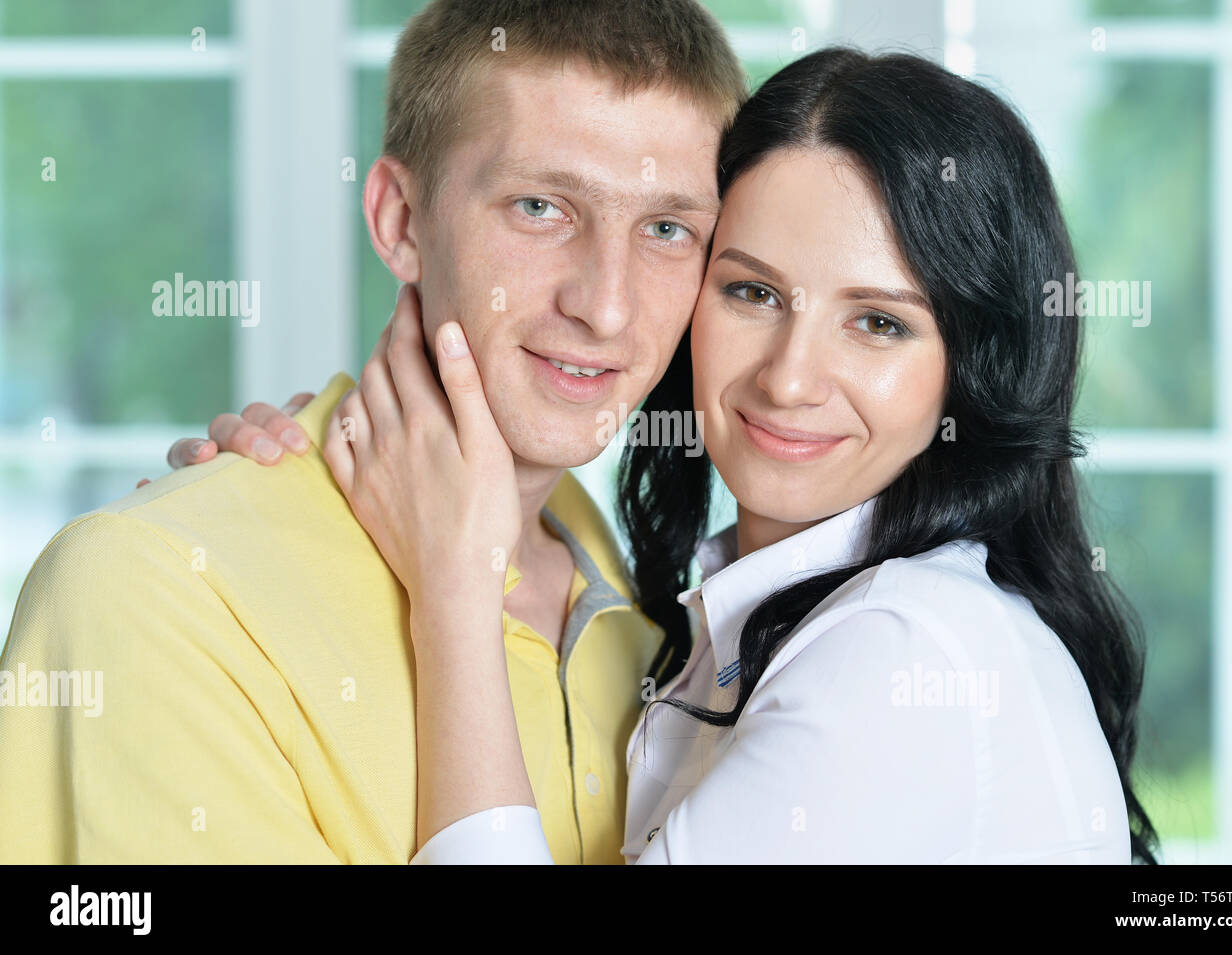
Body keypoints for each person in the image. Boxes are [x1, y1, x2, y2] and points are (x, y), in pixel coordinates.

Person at [184, 49, 1161, 863]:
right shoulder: (699, 609)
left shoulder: (904, 654)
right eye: (750, 293)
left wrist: (454, 587)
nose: (788, 378)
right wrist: (272, 497)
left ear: (970, 364)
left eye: (876, 322)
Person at [0, 0, 746, 864]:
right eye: (541, 205)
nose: (606, 305)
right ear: (400, 222)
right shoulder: (150, 593)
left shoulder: (656, 616)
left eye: (666, 228)